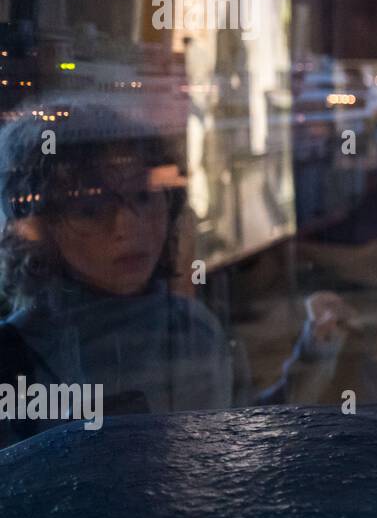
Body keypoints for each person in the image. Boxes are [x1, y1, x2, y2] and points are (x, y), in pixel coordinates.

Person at [0, 99, 352, 448]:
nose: (128, 225)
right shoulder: (15, 359)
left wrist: (313, 353)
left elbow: (234, 440)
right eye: (90, 208)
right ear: (35, 228)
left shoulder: (193, 328)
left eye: (143, 196)